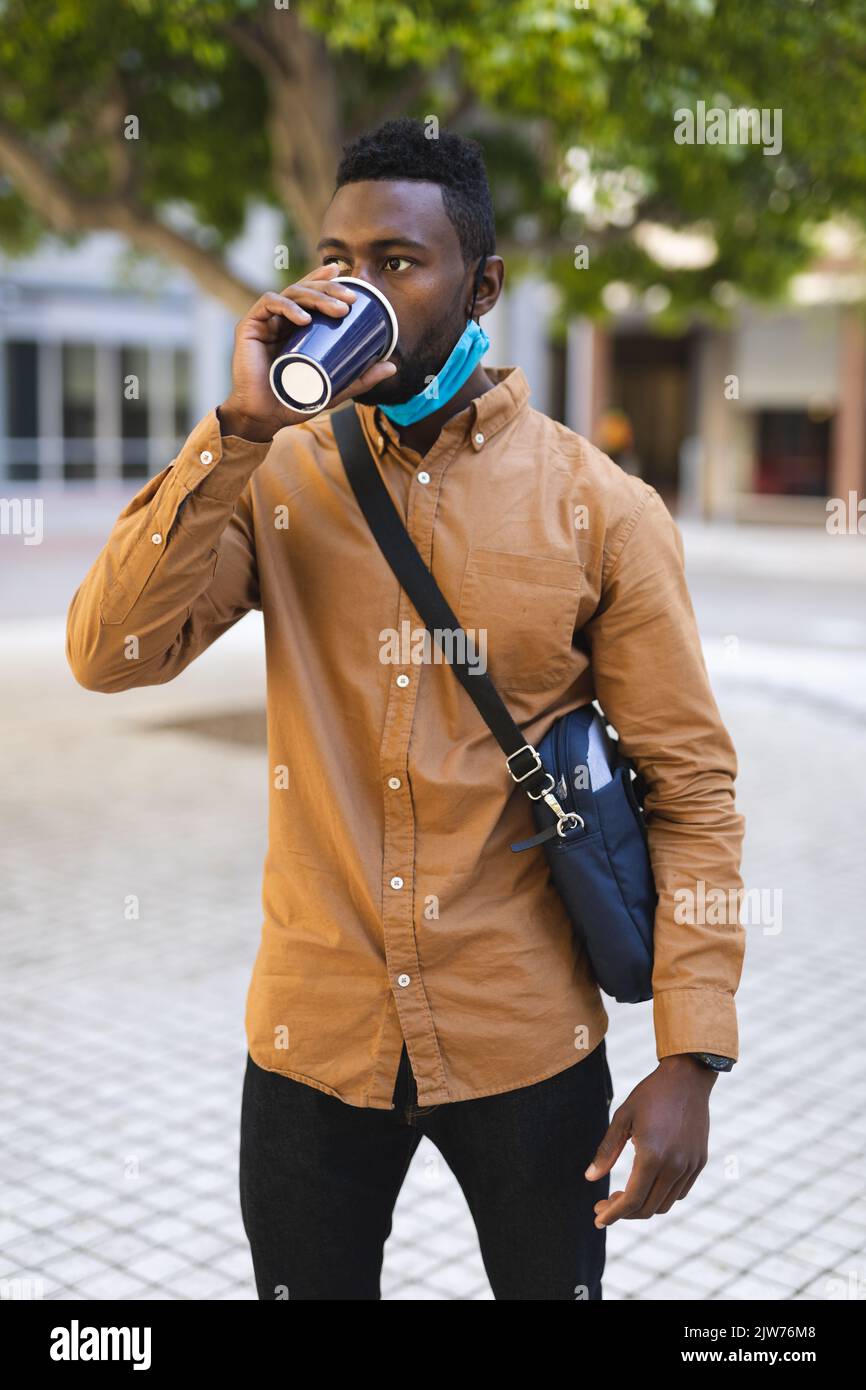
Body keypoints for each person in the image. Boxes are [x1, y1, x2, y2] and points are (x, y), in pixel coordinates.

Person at [65, 117, 746, 1301]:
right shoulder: (277, 474)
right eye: (337, 259)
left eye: (395, 261)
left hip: (525, 1040)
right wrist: (234, 432)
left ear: (480, 284)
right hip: (310, 1042)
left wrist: (690, 1054)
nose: (353, 289)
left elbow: (690, 788)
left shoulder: (602, 509)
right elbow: (109, 654)